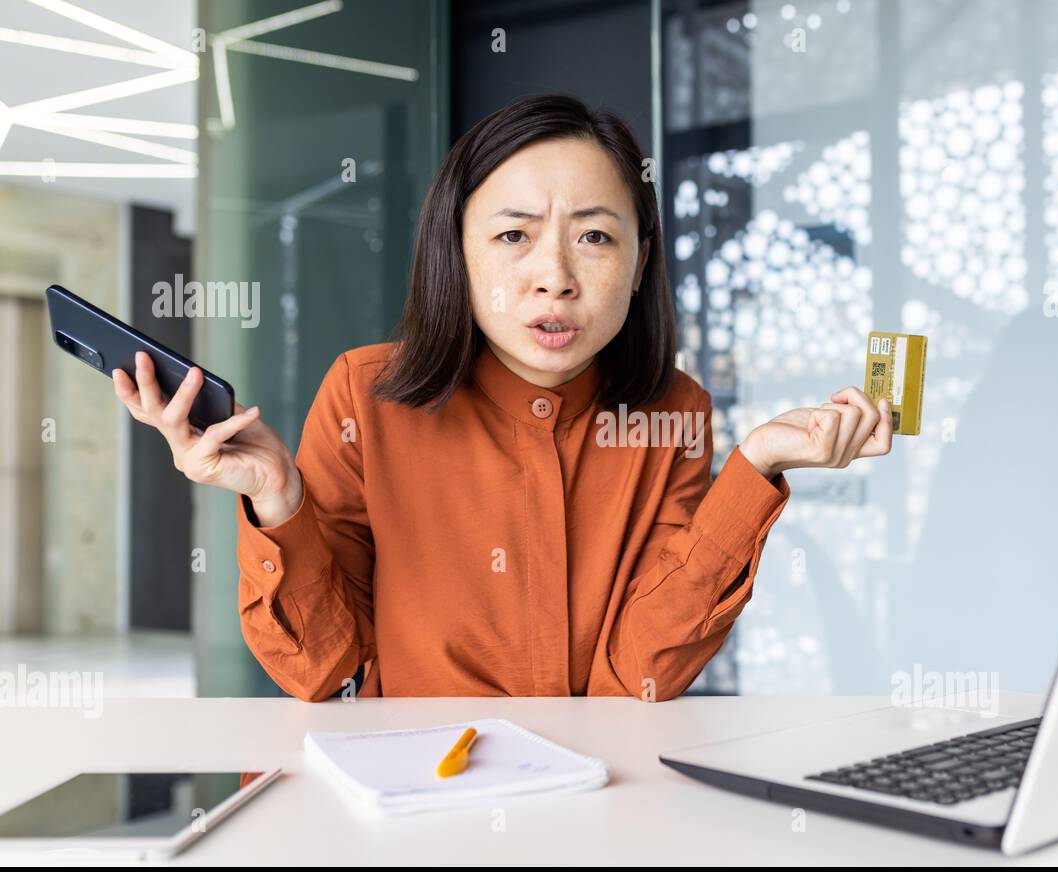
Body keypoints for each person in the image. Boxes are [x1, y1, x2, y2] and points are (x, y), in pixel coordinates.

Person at [111, 94, 893, 702]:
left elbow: (641, 675)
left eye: (595, 236)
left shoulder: (672, 411)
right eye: (513, 235)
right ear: (456, 247)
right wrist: (279, 501)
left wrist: (752, 469)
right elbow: (321, 672)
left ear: (640, 258)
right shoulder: (365, 393)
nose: (554, 274)